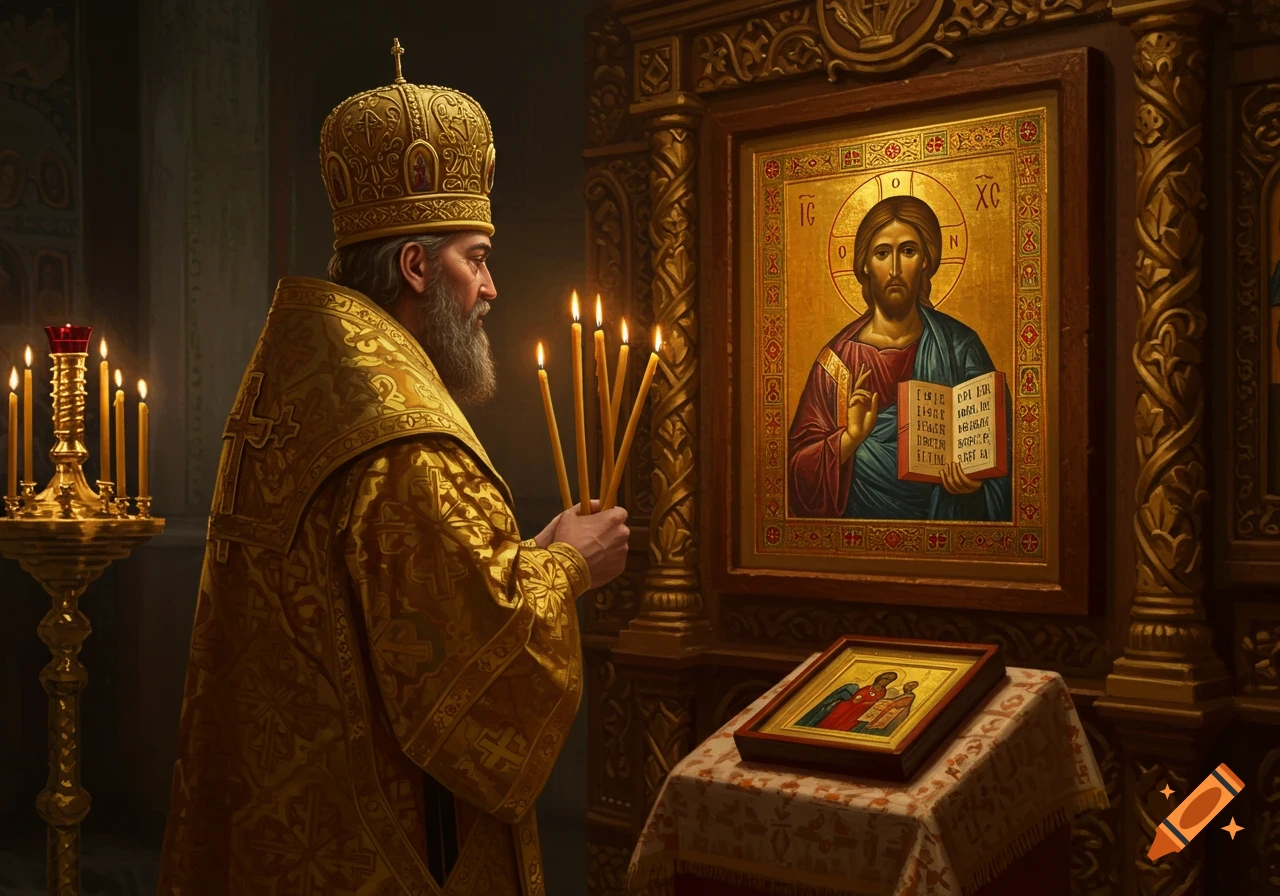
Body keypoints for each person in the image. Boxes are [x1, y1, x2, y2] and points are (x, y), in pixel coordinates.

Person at [158, 42, 630, 895]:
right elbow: (463, 679)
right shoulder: (402, 433)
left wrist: (518, 558)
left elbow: (401, 602)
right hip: (385, 844)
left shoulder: (304, 386)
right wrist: (568, 566)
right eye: (476, 257)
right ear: (416, 265)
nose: (490, 288)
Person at [787, 195, 1012, 521]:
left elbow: (1005, 452)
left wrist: (977, 486)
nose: (894, 268)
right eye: (882, 253)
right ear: (865, 263)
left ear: (925, 260)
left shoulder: (959, 347)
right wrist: (850, 439)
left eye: (908, 251)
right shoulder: (837, 362)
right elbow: (797, 474)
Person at [797, 672, 897, 731]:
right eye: (884, 676)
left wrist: (863, 702)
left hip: (855, 714)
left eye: (888, 679)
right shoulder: (867, 687)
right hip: (845, 707)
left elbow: (873, 703)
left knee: (841, 725)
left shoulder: (882, 692)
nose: (884, 679)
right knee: (829, 720)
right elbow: (855, 698)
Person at [852, 680, 918, 736]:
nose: (908, 686)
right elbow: (892, 701)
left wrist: (885, 703)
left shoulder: (910, 696)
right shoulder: (904, 695)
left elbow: (896, 704)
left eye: (912, 686)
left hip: (892, 718)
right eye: (908, 684)